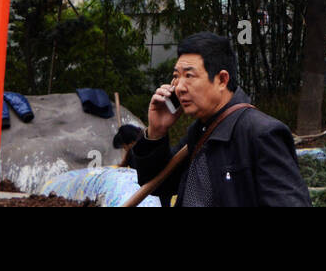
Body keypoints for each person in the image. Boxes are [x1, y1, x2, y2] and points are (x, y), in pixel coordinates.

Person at [131, 32, 310, 206]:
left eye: (189, 75)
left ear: (222, 80)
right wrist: (157, 132)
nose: (179, 87)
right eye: (176, 76)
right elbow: (159, 185)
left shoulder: (260, 133)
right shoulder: (200, 132)